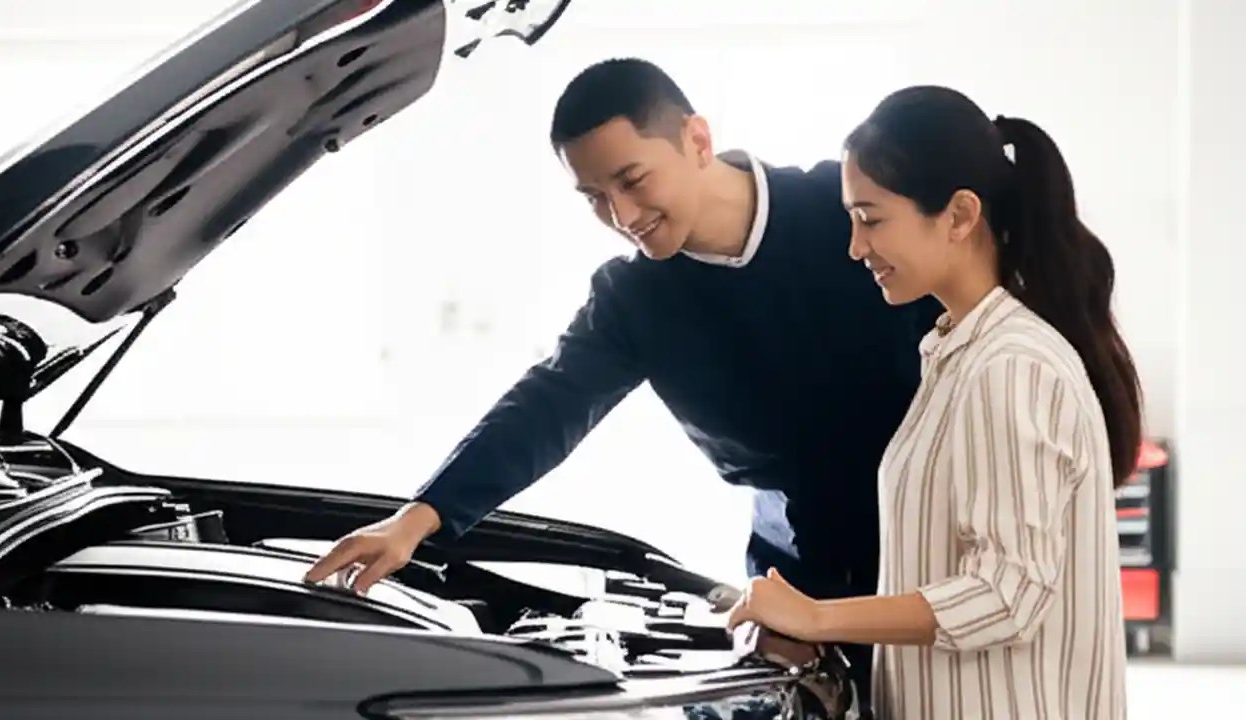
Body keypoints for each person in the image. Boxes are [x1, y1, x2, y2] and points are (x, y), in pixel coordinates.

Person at [304, 58, 936, 705]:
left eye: (632, 180)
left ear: (697, 140)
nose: (622, 214)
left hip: (942, 546)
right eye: (594, 197)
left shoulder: (848, 208)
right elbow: (547, 405)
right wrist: (417, 518)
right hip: (798, 582)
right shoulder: (635, 300)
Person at [725, 85, 1140, 720]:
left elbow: (1006, 594)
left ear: (959, 215)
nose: (856, 247)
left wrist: (815, 615)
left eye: (871, 219)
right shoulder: (959, 352)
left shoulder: (1009, 365)